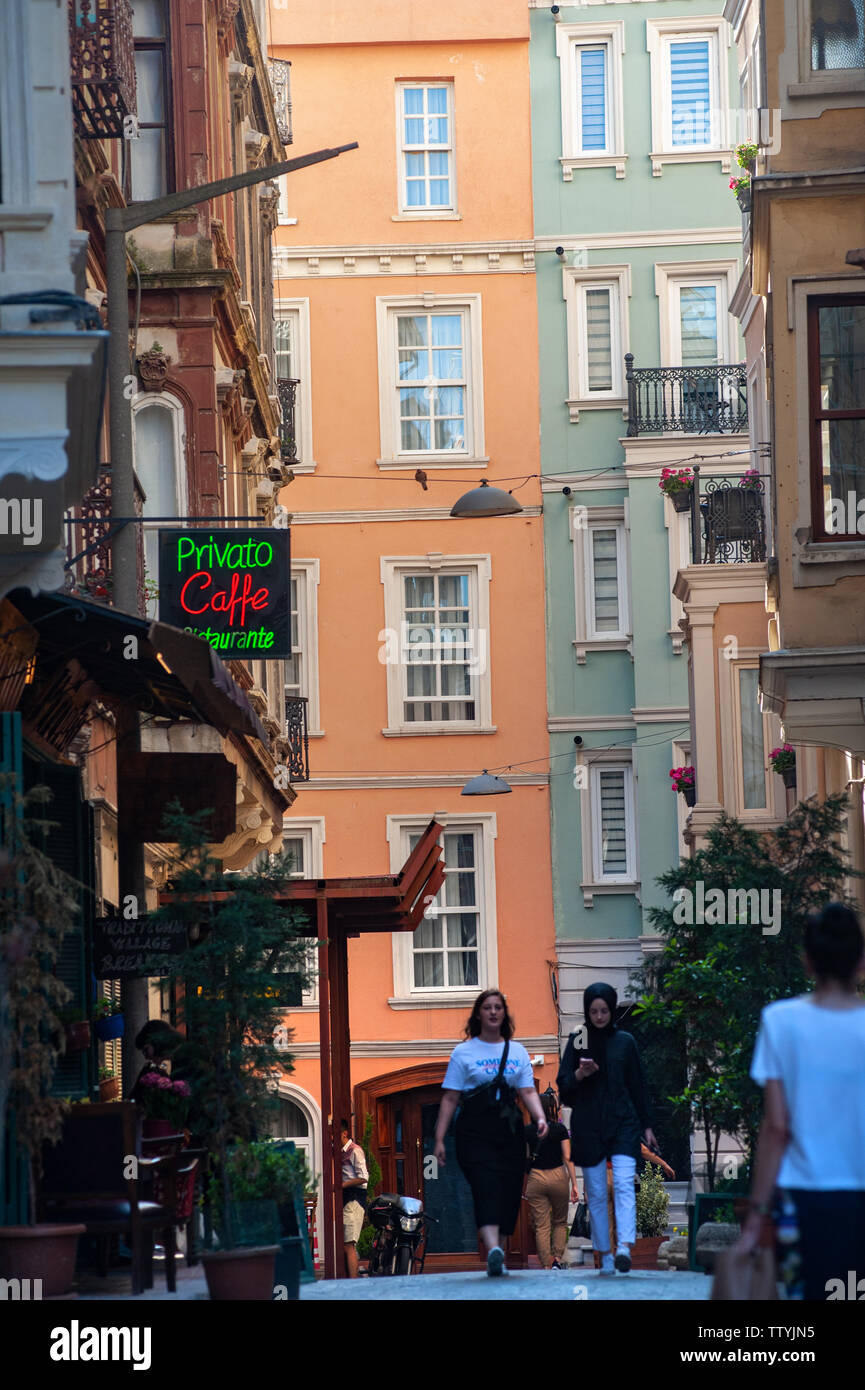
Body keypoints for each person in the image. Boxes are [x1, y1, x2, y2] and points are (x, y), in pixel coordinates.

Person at [735, 903, 865, 1300]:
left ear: (808, 961)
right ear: (860, 961)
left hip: (801, 1199)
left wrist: (756, 1218)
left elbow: (777, 1128)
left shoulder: (781, 1021)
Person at [434, 988, 548, 1276]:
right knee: (485, 1187)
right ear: (478, 1014)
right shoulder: (464, 1052)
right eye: (488, 1007)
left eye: (498, 1007)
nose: (494, 1011)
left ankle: (499, 1250)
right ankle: (493, 1249)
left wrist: (540, 1117)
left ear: (504, 1014)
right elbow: (450, 1097)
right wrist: (438, 1138)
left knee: (509, 1190)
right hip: (474, 1130)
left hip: (509, 1130)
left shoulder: (518, 1051)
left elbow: (527, 1090)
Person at [557, 982, 657, 1275]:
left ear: (612, 1010)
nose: (599, 1016)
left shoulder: (626, 1041)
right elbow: (564, 1088)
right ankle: (606, 1255)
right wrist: (580, 1073)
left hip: (623, 1123)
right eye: (594, 1011)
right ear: (587, 1012)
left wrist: (648, 1124)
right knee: (597, 1193)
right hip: (589, 1124)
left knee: (625, 1183)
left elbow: (639, 1086)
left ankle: (624, 1247)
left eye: (604, 1011)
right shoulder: (578, 1039)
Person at [524, 1087, 578, 1269]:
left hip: (536, 1177)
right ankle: (557, 1259)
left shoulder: (528, 1131)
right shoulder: (560, 1129)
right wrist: (575, 1185)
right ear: (550, 1108)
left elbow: (524, 1157)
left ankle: (546, 1264)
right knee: (560, 1221)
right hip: (557, 1176)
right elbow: (568, 1157)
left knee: (541, 1226)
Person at [340, 1119, 369, 1279]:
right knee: (347, 1244)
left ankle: (353, 1283)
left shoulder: (354, 1150)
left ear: (344, 1133)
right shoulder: (341, 1150)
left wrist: (343, 1184)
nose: (331, 1137)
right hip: (347, 1199)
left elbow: (364, 1177)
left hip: (354, 1199)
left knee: (349, 1244)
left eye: (334, 1133)